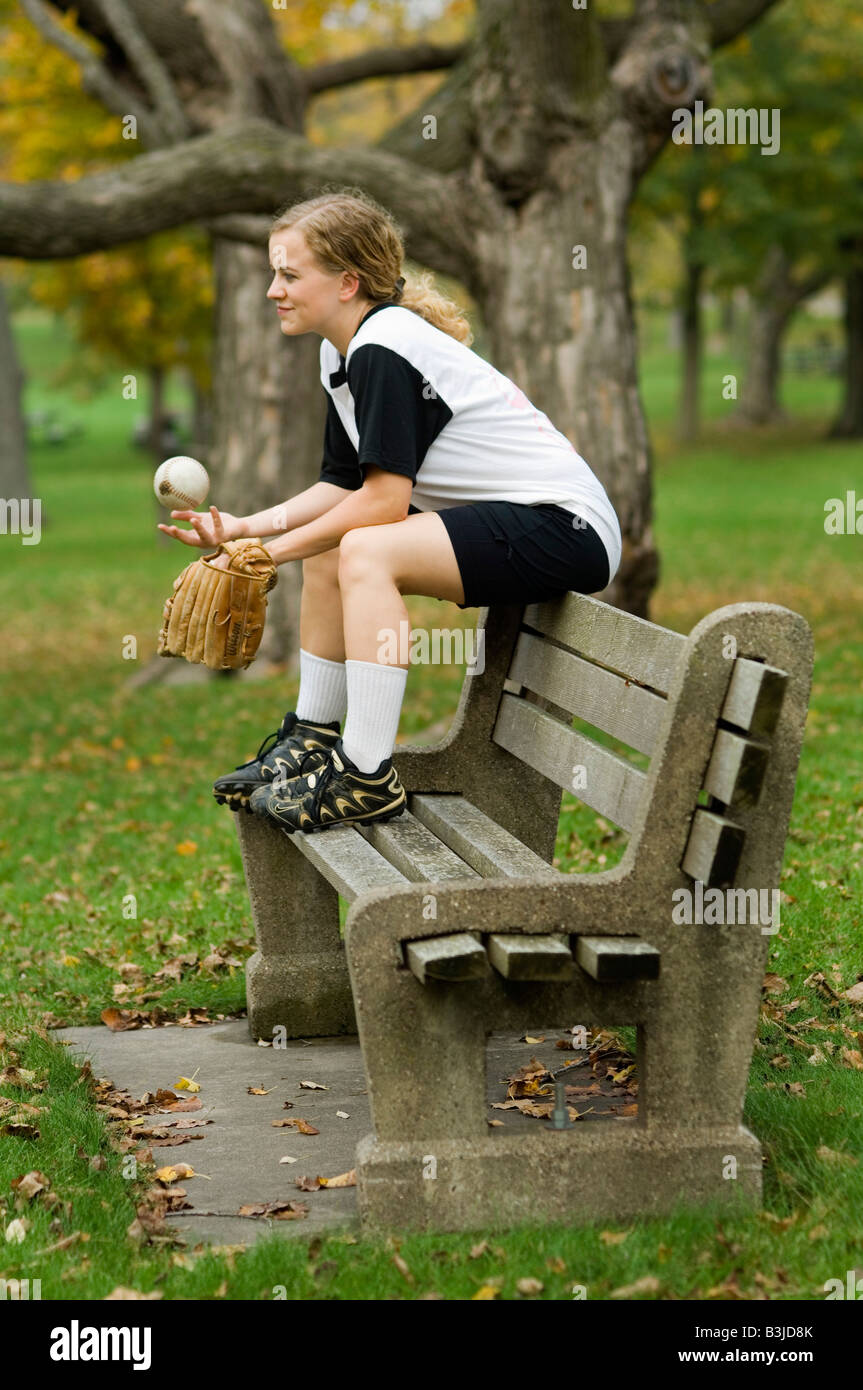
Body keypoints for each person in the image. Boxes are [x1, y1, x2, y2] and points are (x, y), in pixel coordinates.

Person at [158, 189, 622, 835]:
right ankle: (314, 739)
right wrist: (243, 529)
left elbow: (382, 504)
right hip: (521, 522)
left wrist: (261, 557)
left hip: (563, 527)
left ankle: (367, 776)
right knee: (333, 542)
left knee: (364, 547)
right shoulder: (343, 353)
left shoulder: (383, 347)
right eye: (274, 272)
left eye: (289, 274)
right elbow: (342, 487)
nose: (273, 289)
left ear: (348, 283)